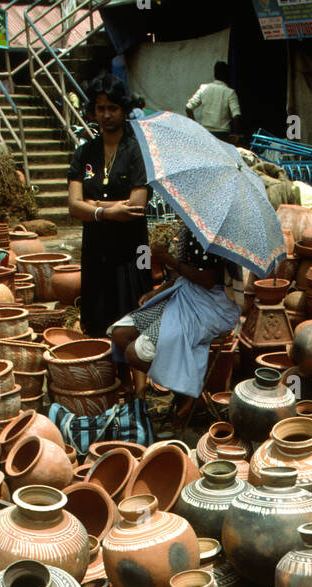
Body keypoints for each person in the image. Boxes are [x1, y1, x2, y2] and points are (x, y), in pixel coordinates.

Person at [109, 220, 239, 421]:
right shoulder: (191, 224)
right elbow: (184, 271)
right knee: (120, 334)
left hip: (212, 304)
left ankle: (187, 391)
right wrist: (160, 289)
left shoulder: (218, 231)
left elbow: (208, 279)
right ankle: (184, 390)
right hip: (185, 291)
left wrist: (167, 259)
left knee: (136, 354)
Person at [67, 74, 152, 338]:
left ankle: (135, 378)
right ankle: (103, 374)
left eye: (112, 108)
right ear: (93, 112)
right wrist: (108, 211)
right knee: (97, 317)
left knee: (134, 315)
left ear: (124, 110)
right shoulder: (84, 153)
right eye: (100, 108)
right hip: (96, 249)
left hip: (133, 250)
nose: (106, 115)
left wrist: (93, 207)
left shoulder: (138, 151)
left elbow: (136, 207)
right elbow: (72, 205)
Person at [185, 62, 242, 143]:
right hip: (222, 136)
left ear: (214, 74)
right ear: (227, 75)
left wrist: (196, 127)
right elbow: (236, 115)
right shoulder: (230, 92)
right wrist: (236, 135)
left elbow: (188, 108)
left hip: (205, 134)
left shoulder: (204, 88)